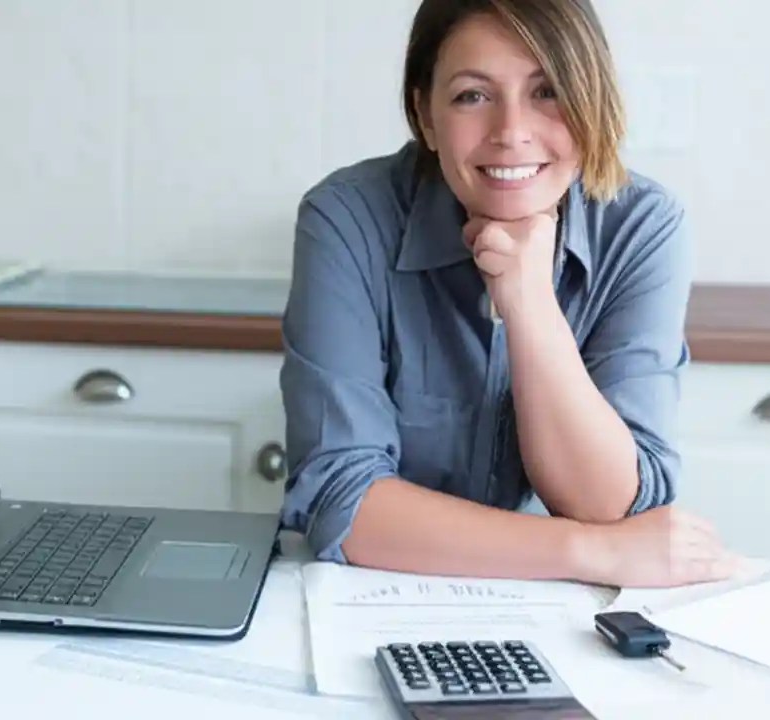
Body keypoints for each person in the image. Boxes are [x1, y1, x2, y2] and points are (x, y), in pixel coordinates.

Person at [278, 0, 736, 589]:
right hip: (376, 591)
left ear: (591, 99)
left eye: (547, 91)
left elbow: (611, 504)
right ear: (425, 115)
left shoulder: (642, 226)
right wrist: (593, 551)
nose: (511, 132)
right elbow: (341, 501)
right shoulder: (347, 219)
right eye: (472, 95)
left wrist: (530, 302)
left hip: (559, 607)